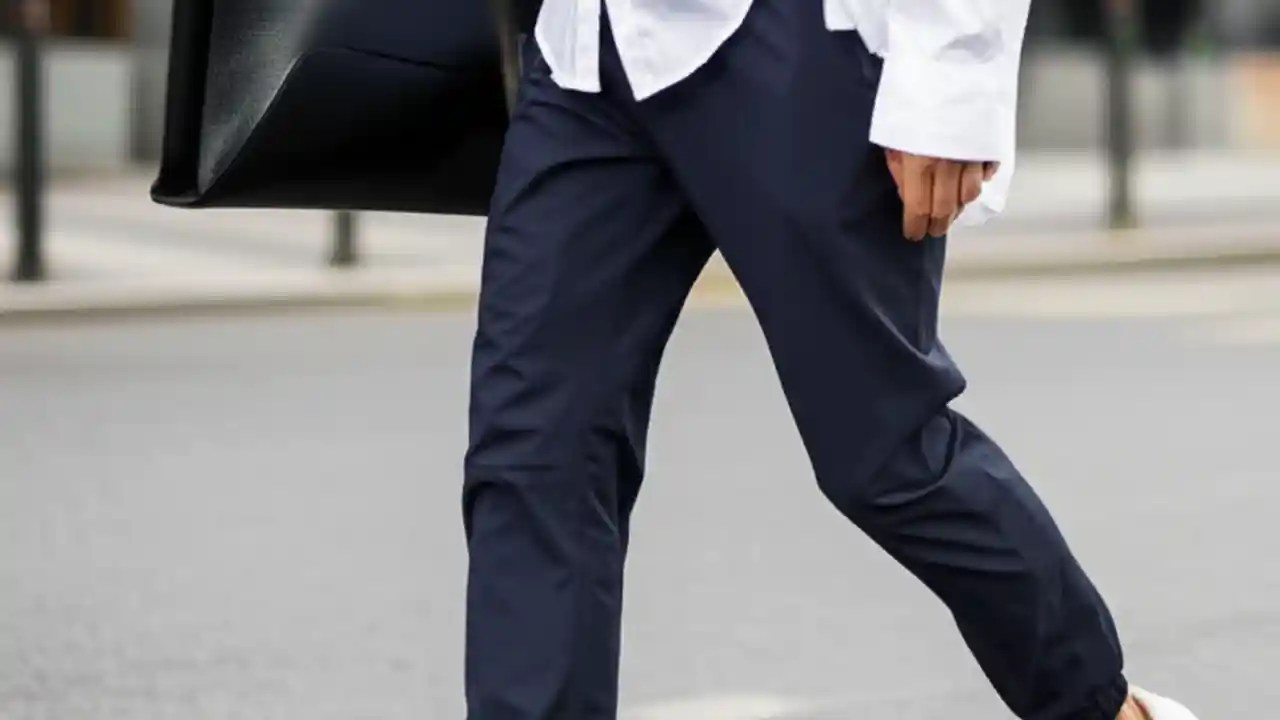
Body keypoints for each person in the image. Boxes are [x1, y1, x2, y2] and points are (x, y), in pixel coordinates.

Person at [461, 0, 1201, 718]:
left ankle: (1095, 708)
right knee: (533, 449)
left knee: (886, 454)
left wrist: (950, 69)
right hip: (585, 53)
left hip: (792, 43)